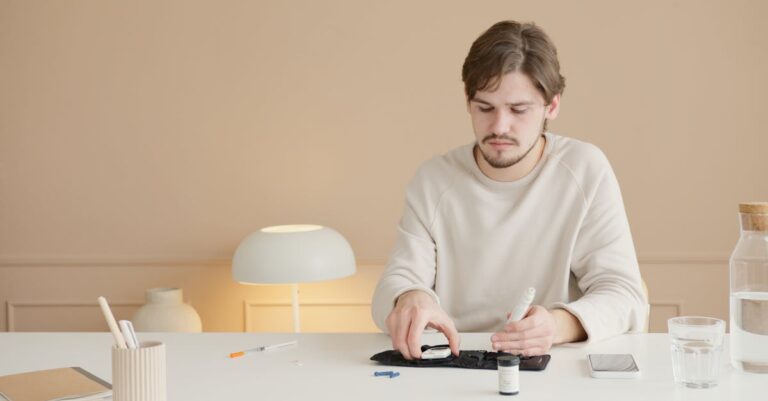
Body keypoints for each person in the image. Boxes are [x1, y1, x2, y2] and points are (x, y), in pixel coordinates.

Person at [371, 20, 647, 360]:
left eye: (519, 110)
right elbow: (395, 284)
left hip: (552, 365)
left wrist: (558, 325)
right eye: (485, 108)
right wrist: (411, 296)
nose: (499, 126)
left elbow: (625, 295)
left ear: (552, 106)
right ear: (467, 101)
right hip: (453, 363)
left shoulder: (584, 169)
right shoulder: (434, 180)